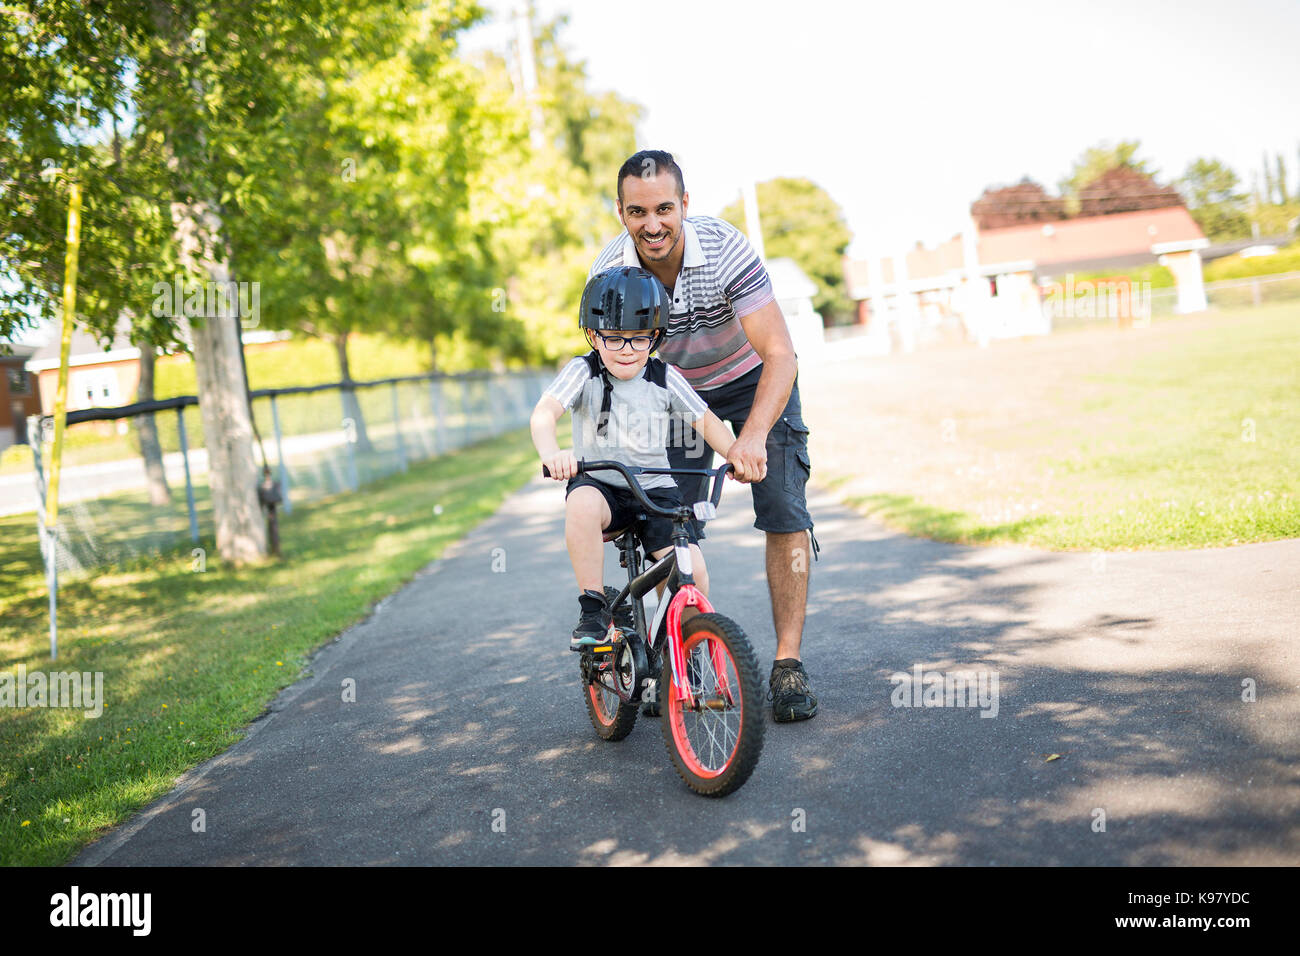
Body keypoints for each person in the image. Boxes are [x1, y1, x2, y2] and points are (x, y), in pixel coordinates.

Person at [588, 149, 820, 722]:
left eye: (665, 208)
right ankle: (677, 656)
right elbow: (607, 373)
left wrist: (754, 437)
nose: (653, 224)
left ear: (684, 205)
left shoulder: (725, 249)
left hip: (753, 381)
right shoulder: (609, 273)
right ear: (621, 212)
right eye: (638, 211)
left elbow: (780, 353)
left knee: (784, 510)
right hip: (671, 400)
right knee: (665, 522)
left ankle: (787, 666)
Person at [530, 266, 745, 652]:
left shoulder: (664, 376)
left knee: (691, 571)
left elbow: (706, 421)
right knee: (579, 503)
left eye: (638, 339)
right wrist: (552, 453)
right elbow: (544, 414)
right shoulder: (584, 371)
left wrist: (734, 454)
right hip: (602, 483)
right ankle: (594, 607)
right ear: (594, 337)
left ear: (655, 338)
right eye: (614, 339)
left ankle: (683, 652)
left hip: (655, 489)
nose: (627, 349)